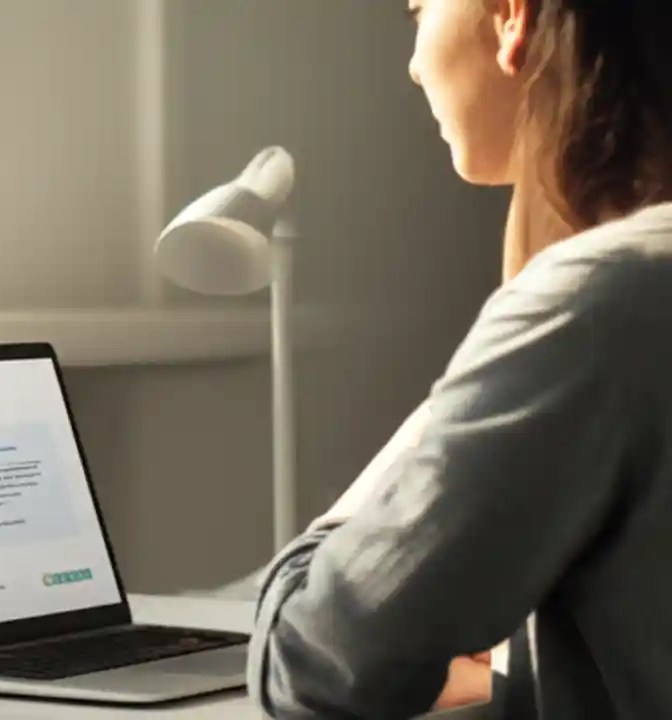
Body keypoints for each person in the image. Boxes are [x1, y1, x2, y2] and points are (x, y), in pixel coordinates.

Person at [246, 0, 672, 718]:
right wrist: (520, 671)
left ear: (511, 16)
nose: (413, 66)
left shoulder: (604, 304)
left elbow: (310, 662)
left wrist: (462, 393)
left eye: (418, 8)